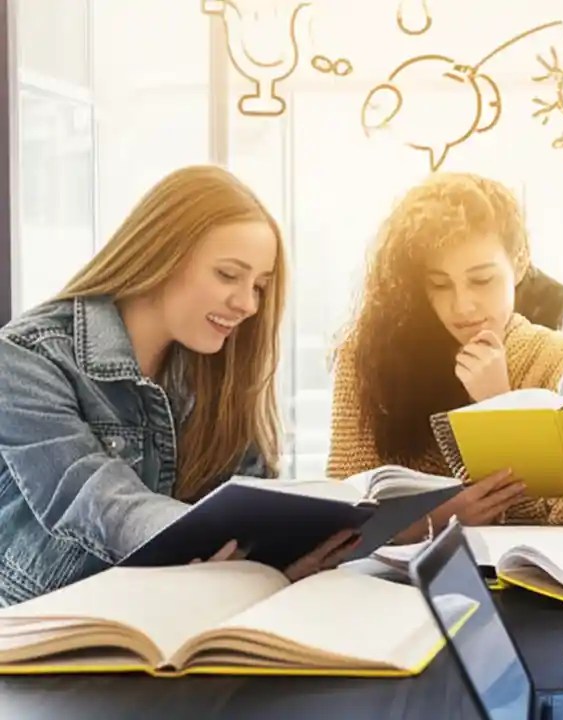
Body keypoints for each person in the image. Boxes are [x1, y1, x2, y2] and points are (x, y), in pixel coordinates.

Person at [0, 165, 354, 607]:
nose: (247, 304)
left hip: (177, 624)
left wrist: (281, 565)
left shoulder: (216, 370)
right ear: (160, 254)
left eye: (259, 286)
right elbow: (92, 496)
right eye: (228, 275)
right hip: (43, 643)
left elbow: (251, 509)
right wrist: (216, 549)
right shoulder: (26, 356)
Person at [327, 172, 563, 535]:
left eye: (482, 280)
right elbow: (341, 518)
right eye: (439, 285)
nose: (462, 306)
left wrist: (501, 408)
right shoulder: (370, 356)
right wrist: (441, 516)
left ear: (519, 263)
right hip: (391, 582)